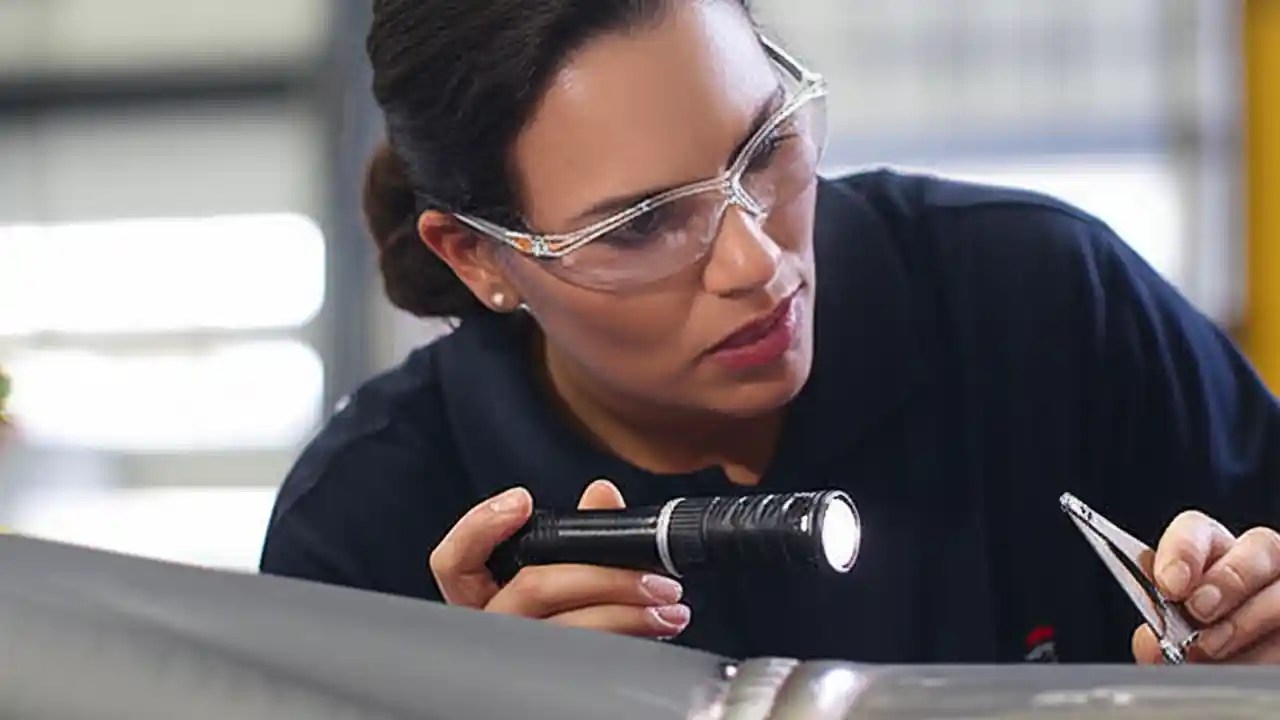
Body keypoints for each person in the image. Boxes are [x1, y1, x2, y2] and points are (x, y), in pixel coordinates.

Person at [260, 0, 1280, 665]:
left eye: (763, 149)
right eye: (642, 226)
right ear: (477, 257)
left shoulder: (1042, 303)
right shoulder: (366, 533)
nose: (755, 263)